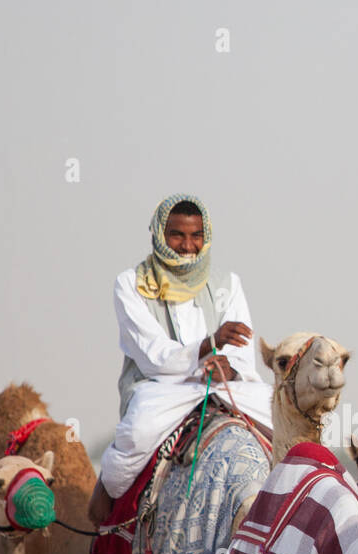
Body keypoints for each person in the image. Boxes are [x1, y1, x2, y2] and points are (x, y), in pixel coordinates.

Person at [90, 194, 272, 524]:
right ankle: (109, 500)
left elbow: (242, 348)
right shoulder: (131, 284)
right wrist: (208, 346)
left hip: (221, 387)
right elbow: (152, 355)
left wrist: (228, 367)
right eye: (177, 235)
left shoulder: (227, 284)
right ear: (159, 235)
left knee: (281, 413)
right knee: (138, 431)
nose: (188, 246)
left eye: (196, 235)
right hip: (162, 388)